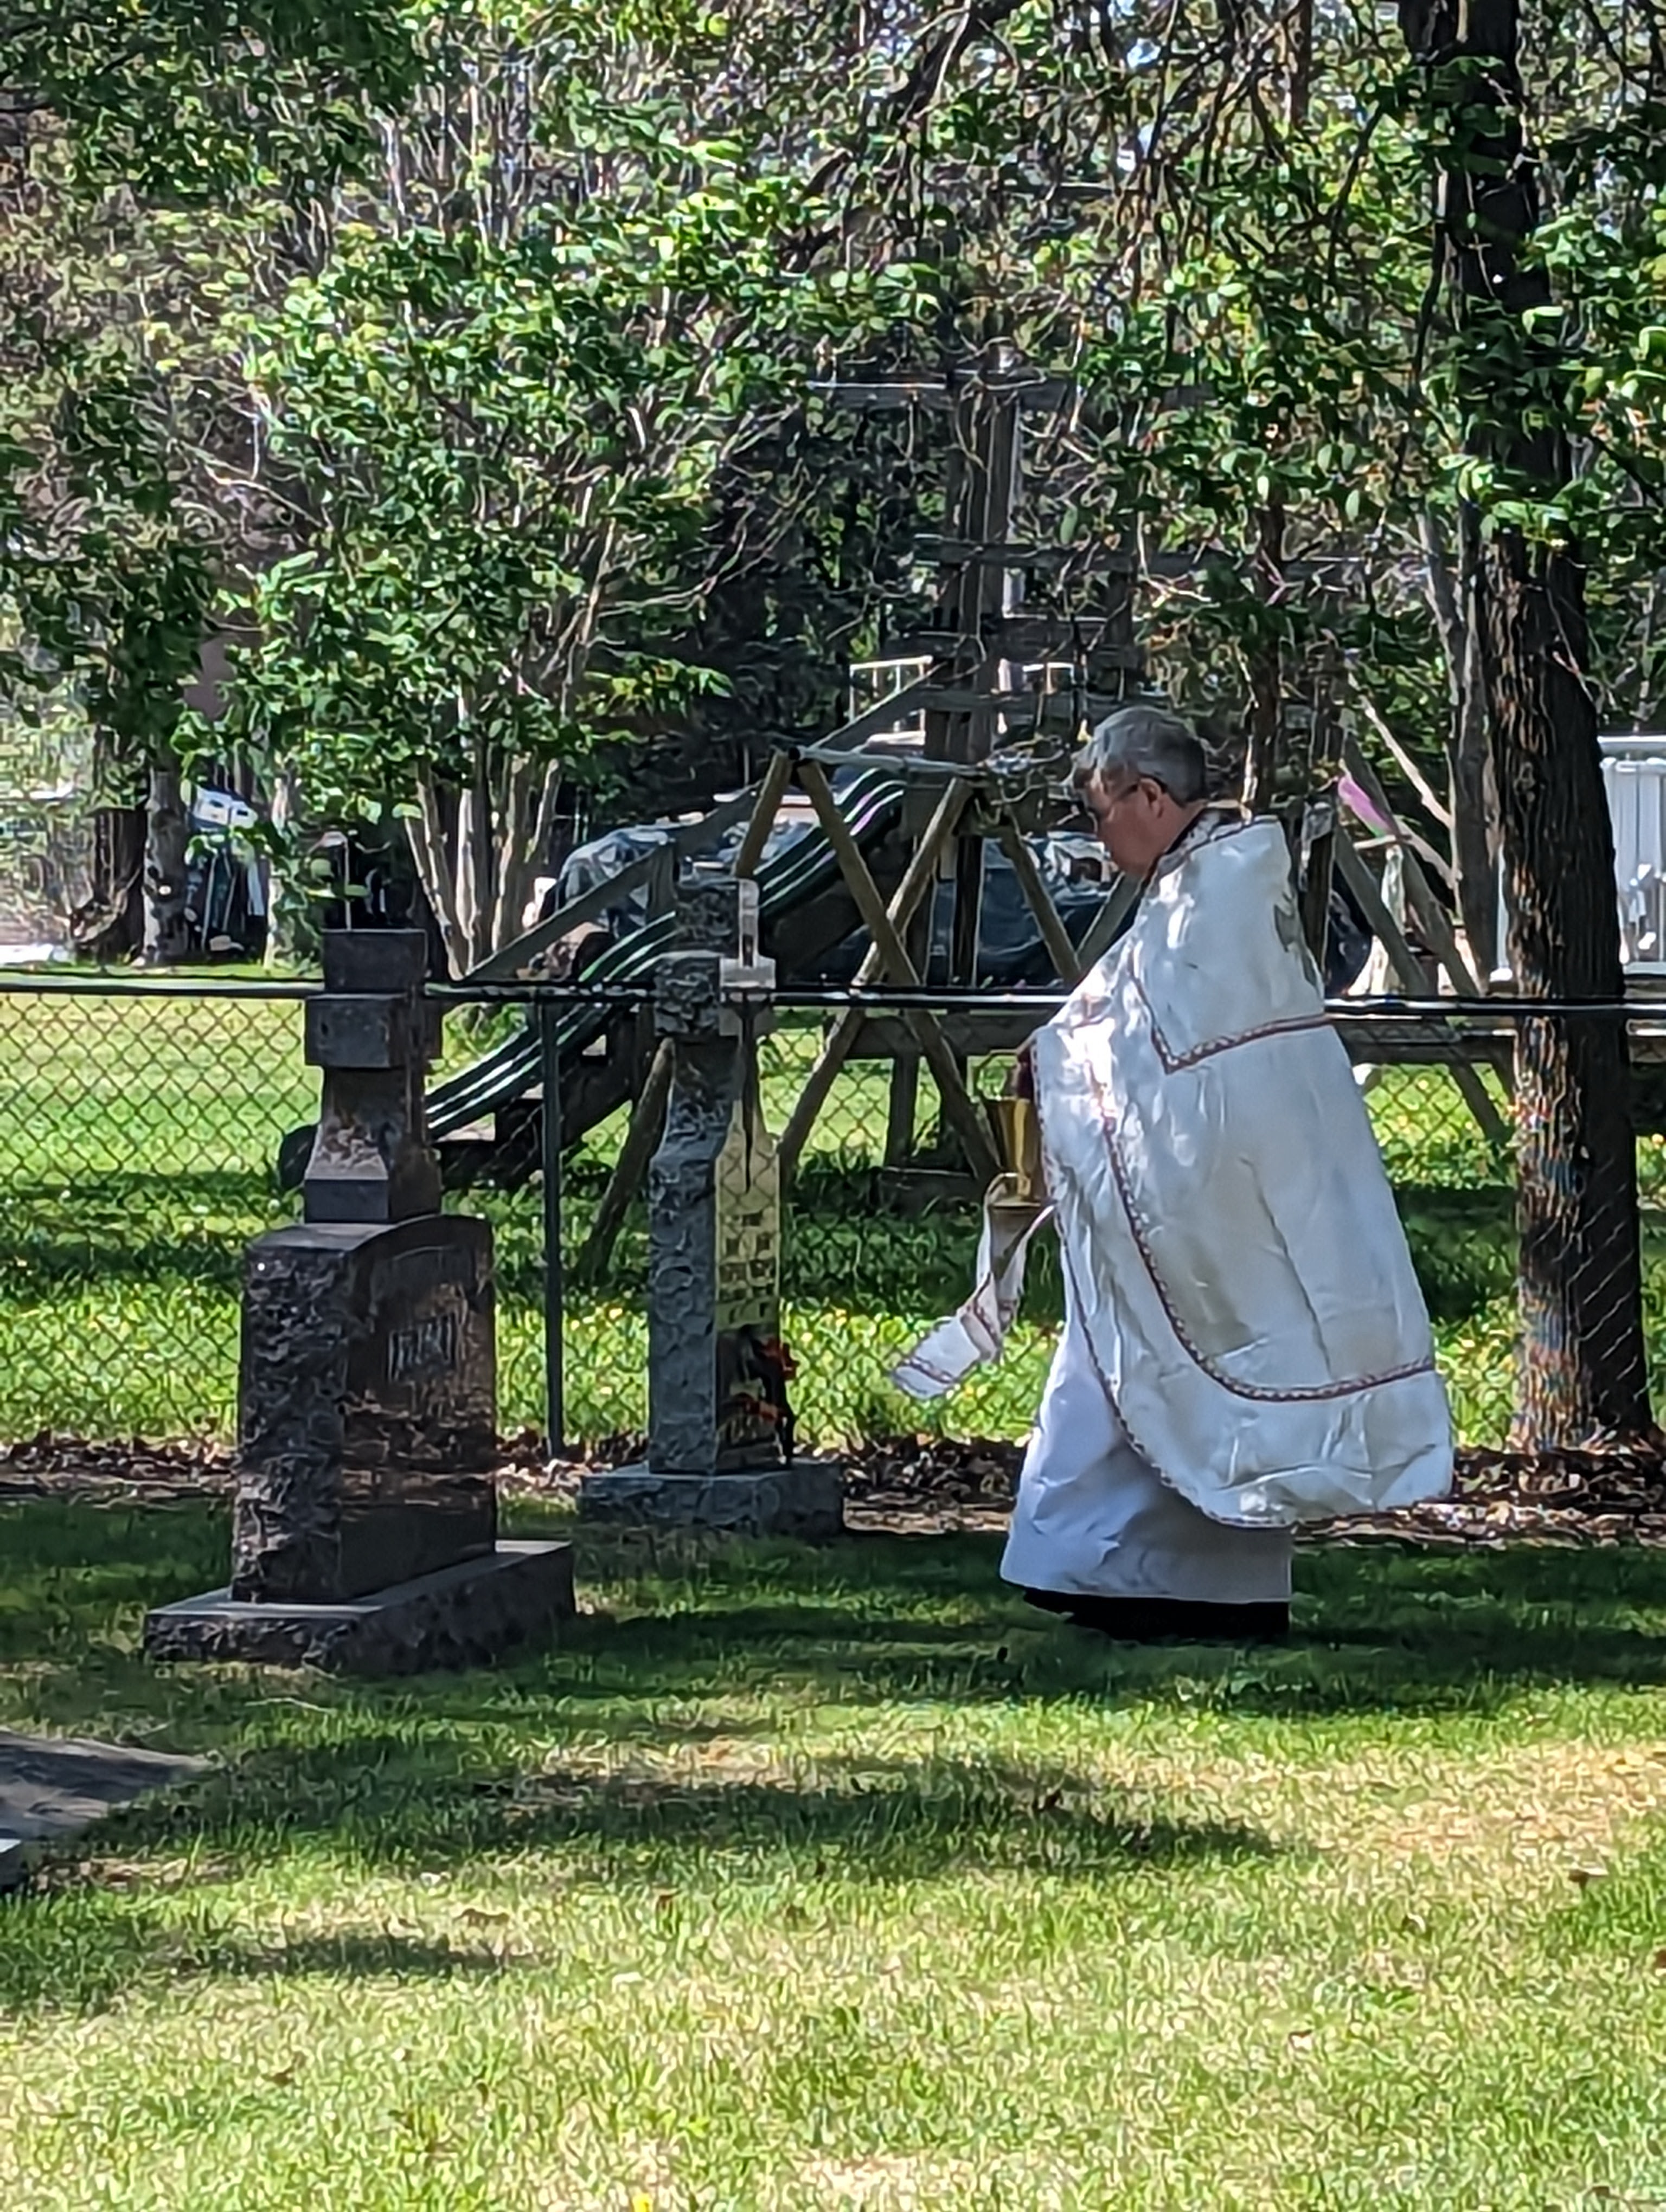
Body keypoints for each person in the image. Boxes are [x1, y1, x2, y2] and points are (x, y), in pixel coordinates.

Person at [898, 704, 1453, 1642]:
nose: (1098, 832)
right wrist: (1059, 1048)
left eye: (1103, 809)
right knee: (1117, 1368)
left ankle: (1181, 1583)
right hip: (1181, 1186)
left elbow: (1174, 1040)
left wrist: (1061, 1059)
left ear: (1150, 796)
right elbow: (1130, 1014)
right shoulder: (1200, 884)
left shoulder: (1222, 893)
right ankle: (1100, 1570)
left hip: (1212, 1191)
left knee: (1191, 1360)